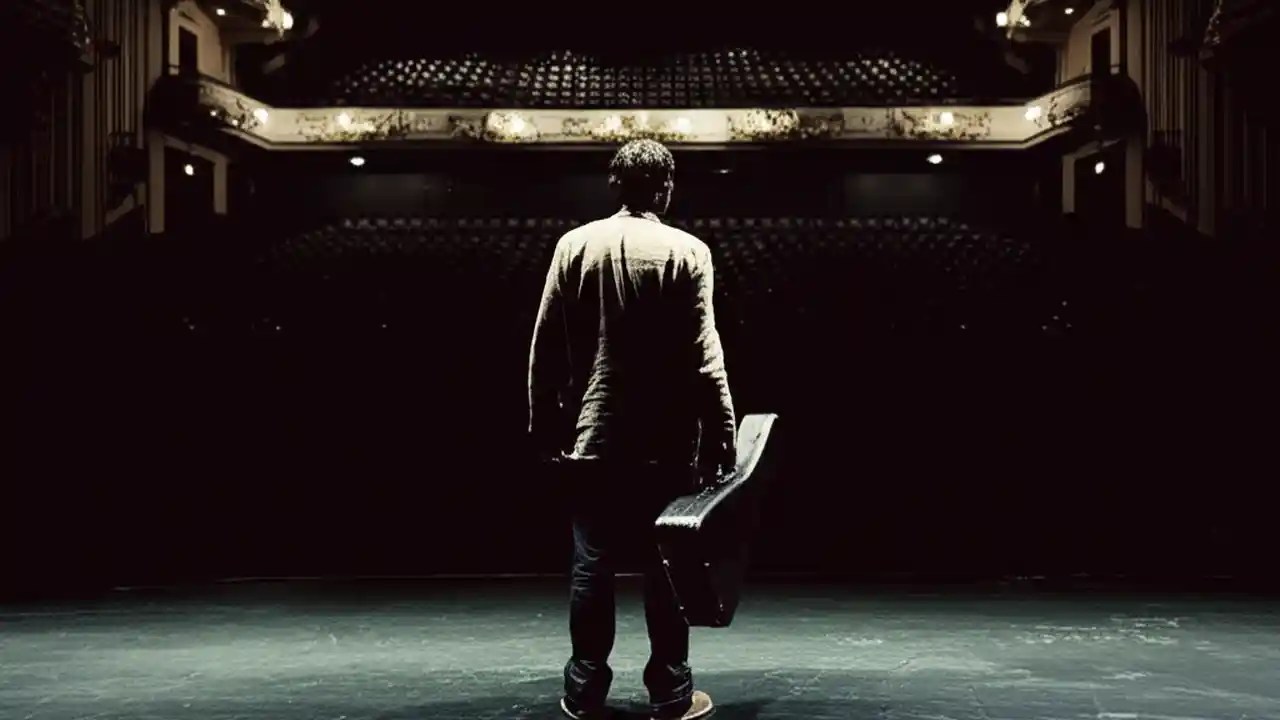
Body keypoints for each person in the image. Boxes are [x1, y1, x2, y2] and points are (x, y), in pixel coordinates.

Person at [528, 139, 736, 720]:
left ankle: (583, 690)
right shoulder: (688, 251)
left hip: (593, 436)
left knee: (591, 563)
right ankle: (670, 691)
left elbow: (545, 348)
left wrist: (542, 426)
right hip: (666, 442)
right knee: (663, 567)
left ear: (615, 186)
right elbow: (705, 356)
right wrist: (721, 434)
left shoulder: (574, 245)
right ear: (666, 188)